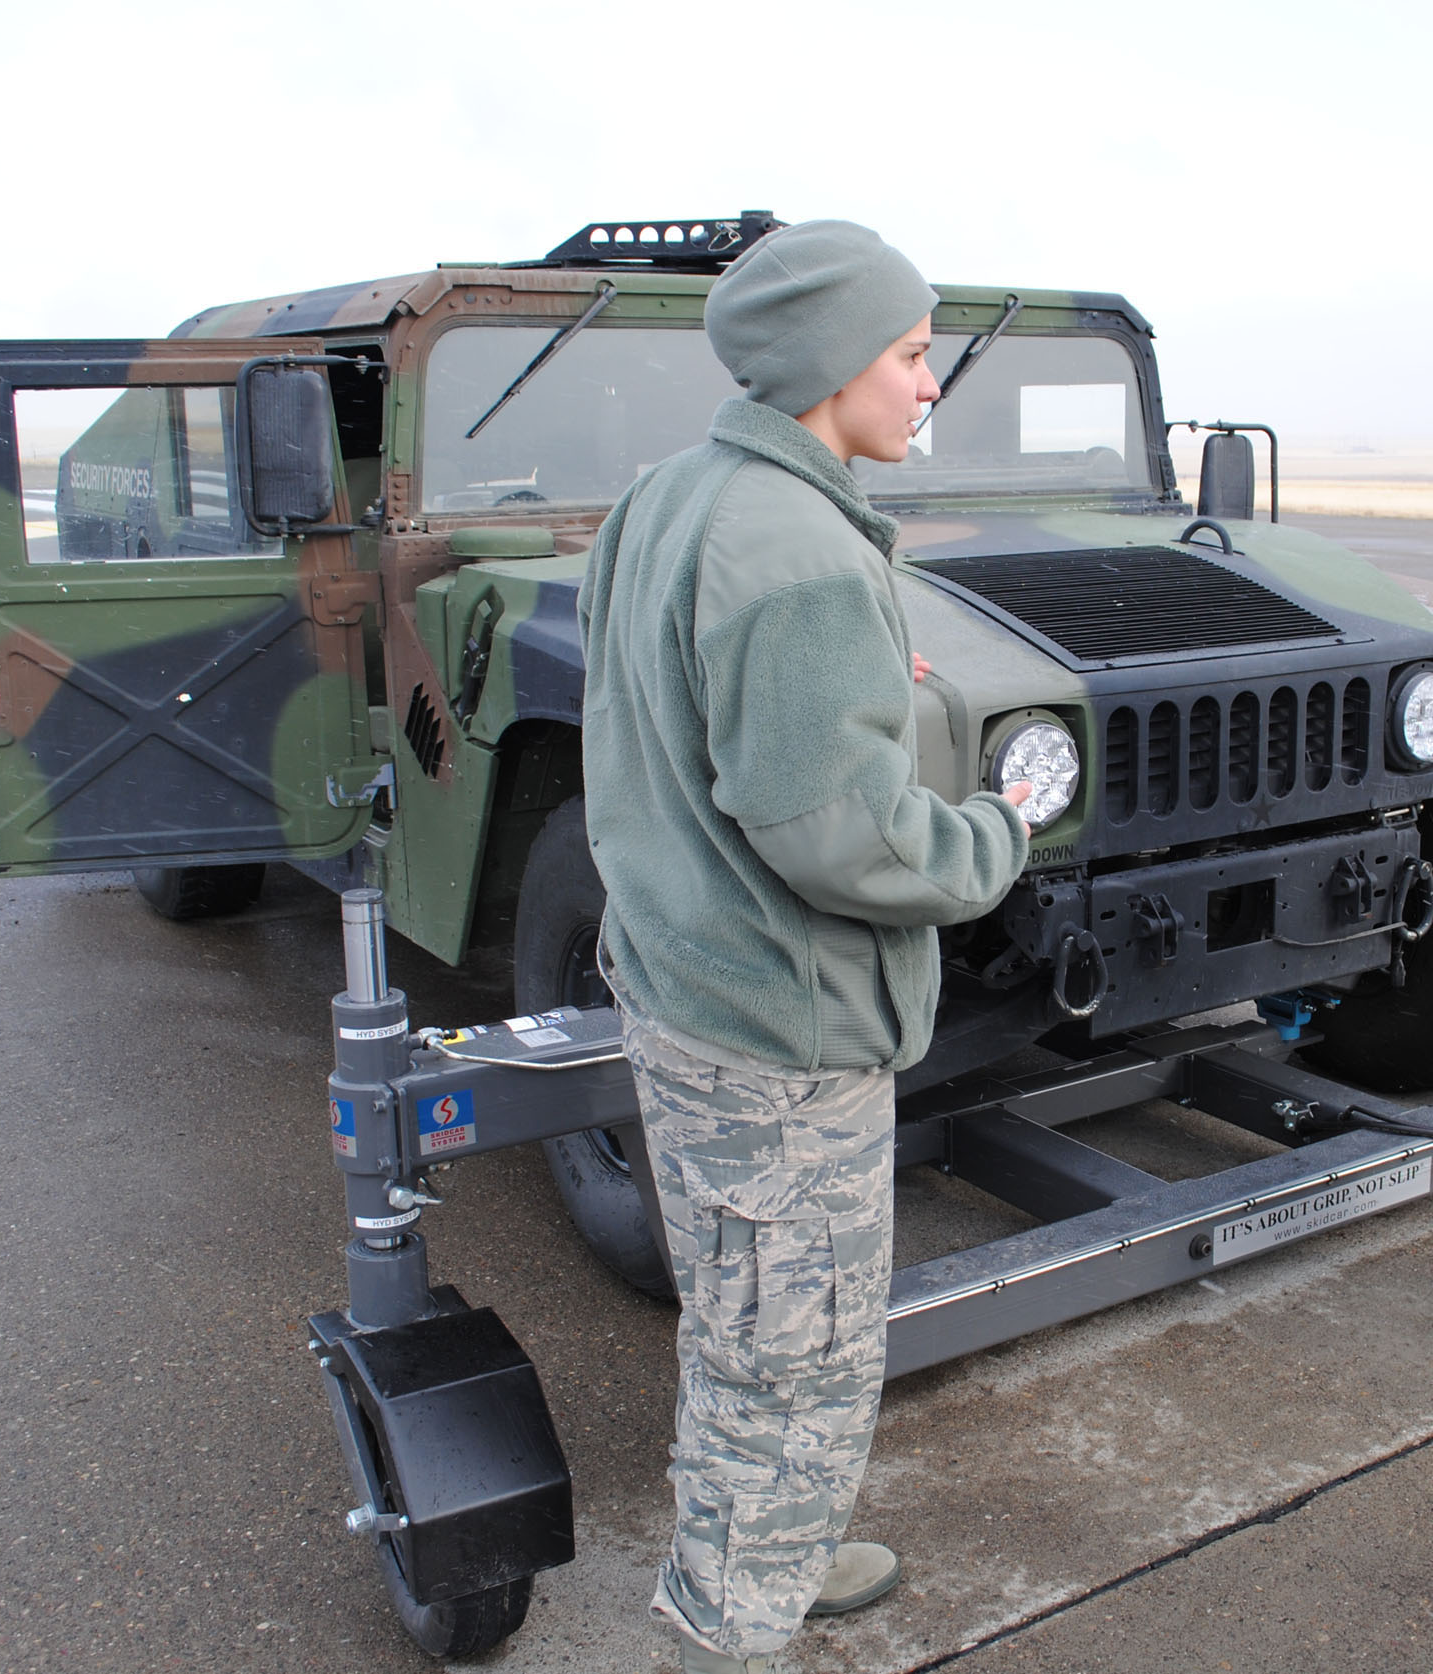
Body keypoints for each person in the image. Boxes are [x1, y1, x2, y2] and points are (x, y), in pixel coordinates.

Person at [576, 221, 1034, 1674]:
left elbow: (668, 711)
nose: (925, 385)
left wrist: (846, 694)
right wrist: (996, 835)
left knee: (741, 1317)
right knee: (803, 1354)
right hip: (782, 1023)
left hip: (686, 984)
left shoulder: (671, 497)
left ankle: (763, 1545)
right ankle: (737, 1615)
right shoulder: (798, 549)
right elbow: (845, 838)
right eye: (909, 355)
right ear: (831, 367)